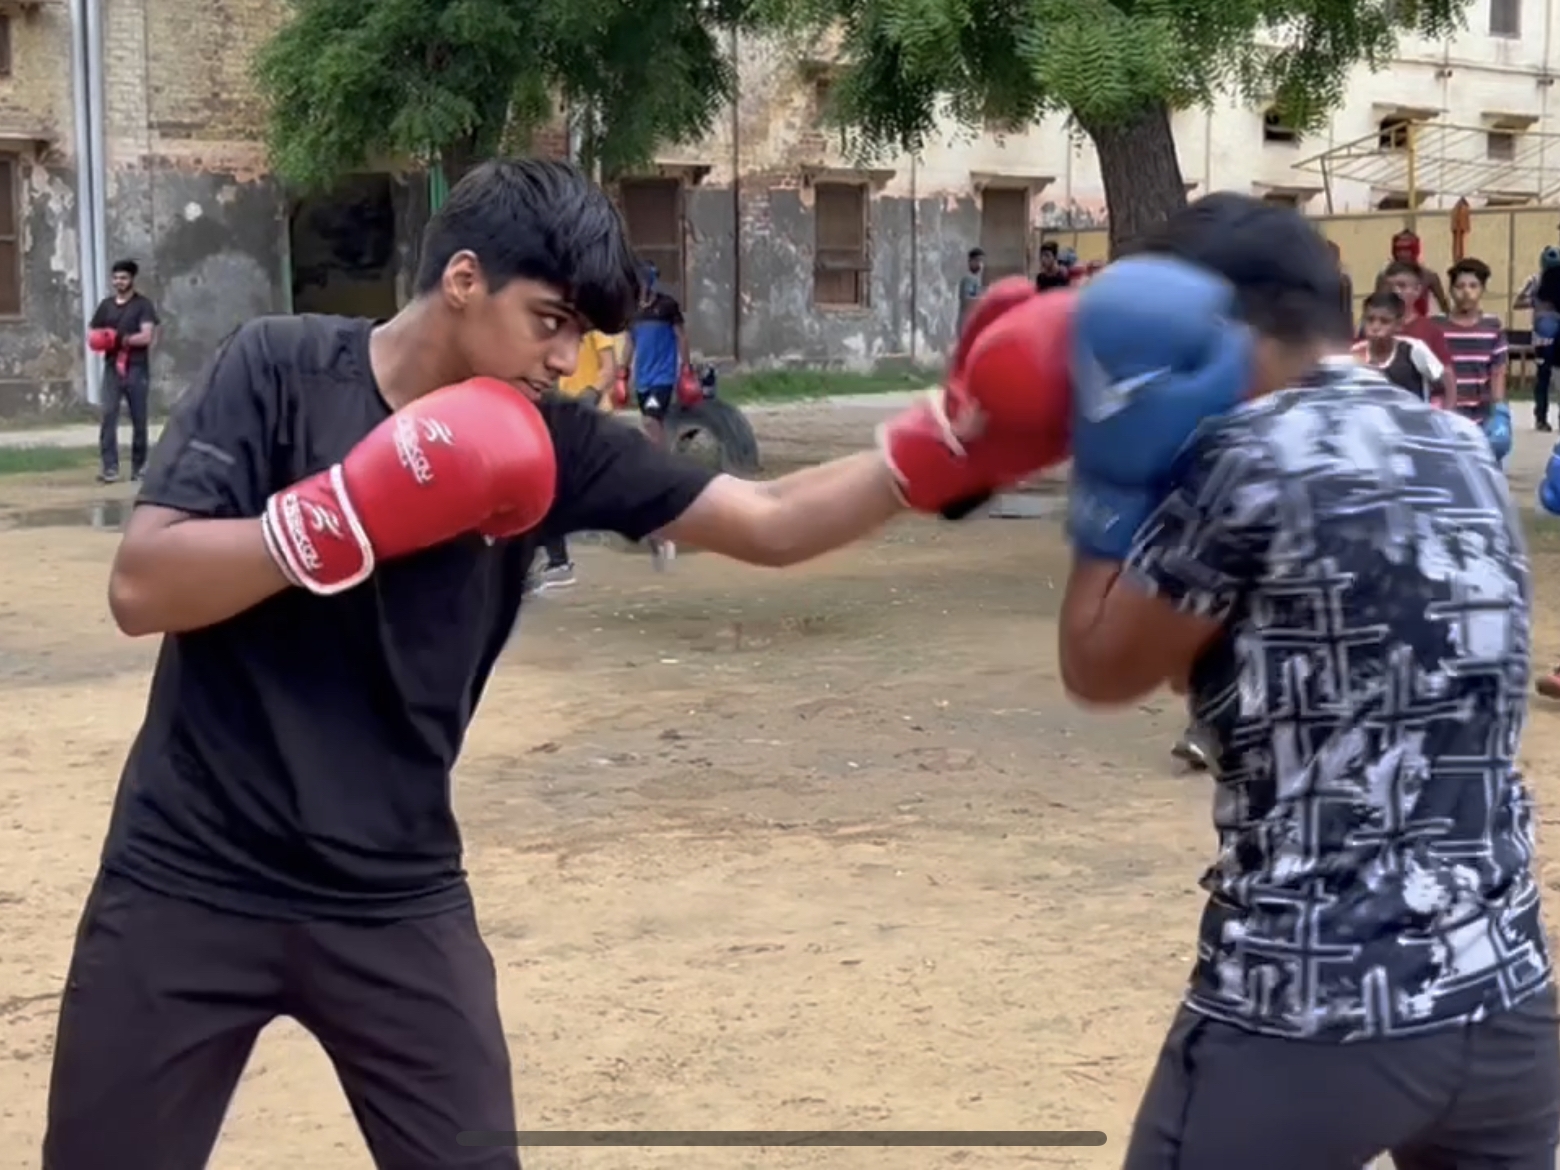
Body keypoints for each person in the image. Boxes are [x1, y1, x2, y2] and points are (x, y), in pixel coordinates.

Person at [41, 158, 1076, 1170]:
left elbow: (766, 521)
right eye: (550, 321)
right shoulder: (276, 367)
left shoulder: (552, 443)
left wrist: (937, 451)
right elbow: (143, 588)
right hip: (187, 874)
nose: (565, 358)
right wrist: (341, 516)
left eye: (582, 335)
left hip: (393, 890)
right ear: (463, 281)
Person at [1061, 192, 1557, 1170]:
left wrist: (1108, 479)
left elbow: (1100, 662)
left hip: (1309, 1004)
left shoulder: (1242, 453)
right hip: (1503, 996)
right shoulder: (1459, 448)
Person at [533, 329, 620, 591]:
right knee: (550, 488)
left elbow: (609, 369)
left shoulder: (597, 329)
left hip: (592, 418)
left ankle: (658, 530)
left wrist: (589, 396)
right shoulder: (561, 328)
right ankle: (557, 562)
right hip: (566, 417)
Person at [88, 259, 160, 484]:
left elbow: (147, 336)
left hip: (136, 367)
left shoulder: (143, 305)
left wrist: (122, 339)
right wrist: (102, 339)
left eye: (124, 278)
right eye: (116, 278)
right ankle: (110, 467)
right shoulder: (106, 306)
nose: (119, 282)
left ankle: (139, 468)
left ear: (132, 280)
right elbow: (93, 332)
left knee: (139, 418)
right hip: (112, 368)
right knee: (108, 414)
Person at [1436, 256, 1511, 463]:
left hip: (1482, 416)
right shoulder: (1436, 327)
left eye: (1473, 286)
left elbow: (1497, 371)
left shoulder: (1492, 327)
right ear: (1451, 290)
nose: (1466, 292)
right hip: (1447, 416)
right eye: (1460, 286)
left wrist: (1499, 413)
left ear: (1482, 290)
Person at [1380, 260, 1458, 403]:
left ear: (1417, 290)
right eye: (1390, 286)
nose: (1396, 291)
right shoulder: (1372, 328)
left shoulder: (1430, 330)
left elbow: (1447, 377)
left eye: (1402, 286)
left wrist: (1448, 414)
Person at [1350, 289, 1446, 400]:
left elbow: (1441, 383)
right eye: (1370, 320)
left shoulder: (1413, 349)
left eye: (1384, 321)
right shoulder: (1355, 354)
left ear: (1399, 325)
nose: (1375, 327)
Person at [1514, 244, 1560, 431]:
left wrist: (1537, 304)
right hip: (1545, 330)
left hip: (1546, 330)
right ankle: (1541, 416)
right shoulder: (1536, 280)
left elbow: (1518, 303)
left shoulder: (1537, 280)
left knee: (1545, 374)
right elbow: (1518, 303)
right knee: (1547, 374)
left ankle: (1541, 417)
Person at [1377, 228, 1449, 316]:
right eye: (1399, 250)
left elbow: (1444, 307)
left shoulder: (1428, 276)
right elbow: (1376, 306)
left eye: (1407, 251)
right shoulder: (1385, 277)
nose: (1402, 254)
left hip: (1421, 324)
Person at [958, 247, 986, 330]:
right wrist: (985, 298)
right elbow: (967, 301)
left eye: (981, 261)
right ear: (970, 262)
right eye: (977, 261)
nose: (980, 264)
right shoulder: (968, 279)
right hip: (967, 323)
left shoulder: (976, 280)